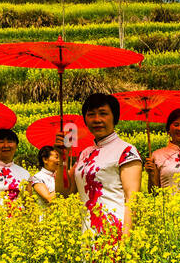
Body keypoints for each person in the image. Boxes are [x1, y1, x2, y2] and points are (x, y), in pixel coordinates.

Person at [57, 93, 143, 233]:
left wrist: (127, 243)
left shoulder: (126, 151)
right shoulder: (85, 154)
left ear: (115, 117)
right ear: (85, 119)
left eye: (103, 114)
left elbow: (132, 200)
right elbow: (64, 192)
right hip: (88, 232)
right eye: (91, 114)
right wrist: (63, 159)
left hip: (115, 231)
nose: (97, 120)